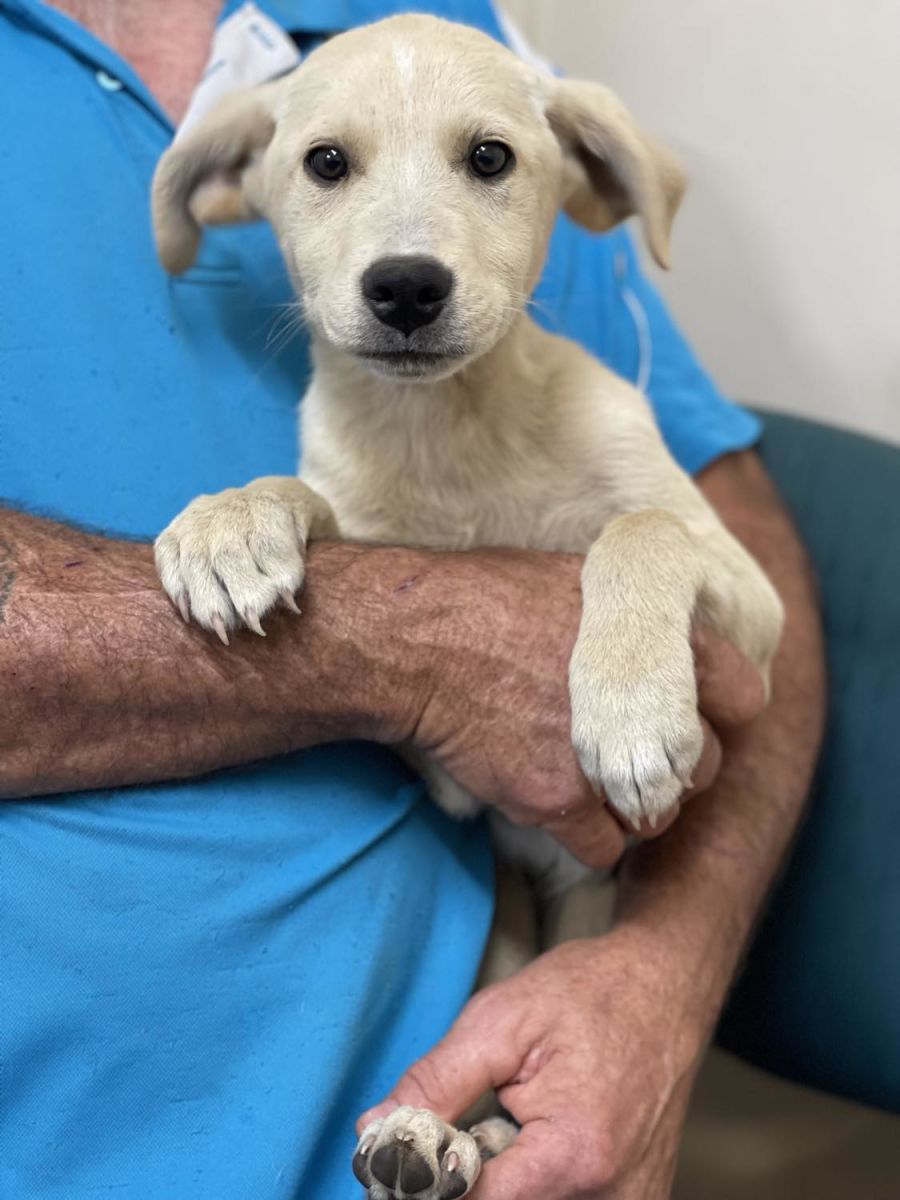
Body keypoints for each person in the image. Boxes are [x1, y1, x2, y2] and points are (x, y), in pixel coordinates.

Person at [0, 1, 824, 1197]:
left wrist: (642, 565)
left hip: (586, 919)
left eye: (487, 161)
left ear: (586, 182)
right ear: (237, 186)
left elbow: (749, 611)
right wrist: (266, 513)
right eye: (329, 167)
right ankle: (446, 1138)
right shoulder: (326, 448)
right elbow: (337, 538)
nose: (407, 258)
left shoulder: (588, 412)